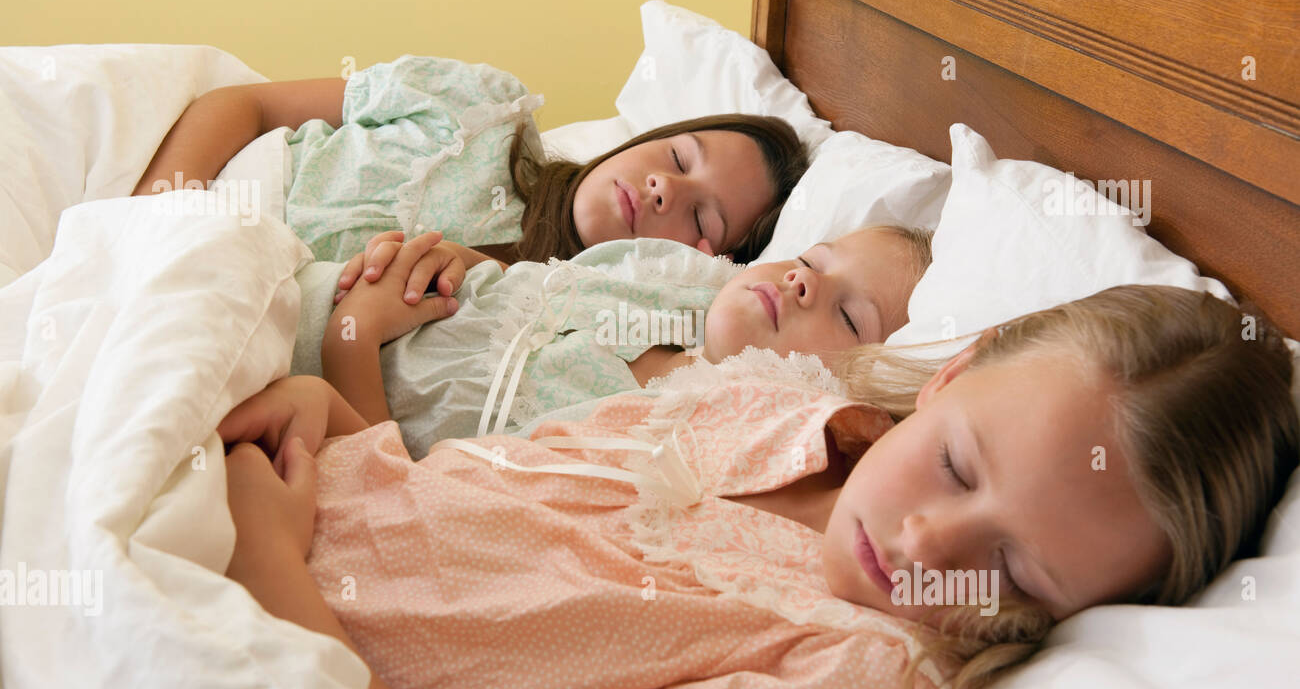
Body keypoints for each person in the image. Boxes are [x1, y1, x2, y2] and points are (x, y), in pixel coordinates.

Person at [218, 284, 1299, 689]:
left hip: (266, 644)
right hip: (282, 491)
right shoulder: (762, 396)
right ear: (955, 371)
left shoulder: (859, 669)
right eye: (958, 463)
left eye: (1015, 571)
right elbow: (472, 501)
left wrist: (273, 568)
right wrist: (340, 422)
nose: (929, 547)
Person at [291, 223, 931, 456]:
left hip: (314, 388)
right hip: (302, 285)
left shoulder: (660, 436)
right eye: (814, 259)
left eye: (850, 318)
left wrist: (352, 338)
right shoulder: (661, 273)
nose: (801, 282)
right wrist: (443, 259)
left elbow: (397, 500)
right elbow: (515, 282)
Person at [132, 55, 809, 265]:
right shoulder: (483, 109)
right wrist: (140, 226)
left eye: (703, 217)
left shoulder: (543, 316)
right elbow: (239, 106)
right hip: (175, 209)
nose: (666, 188)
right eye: (679, 157)